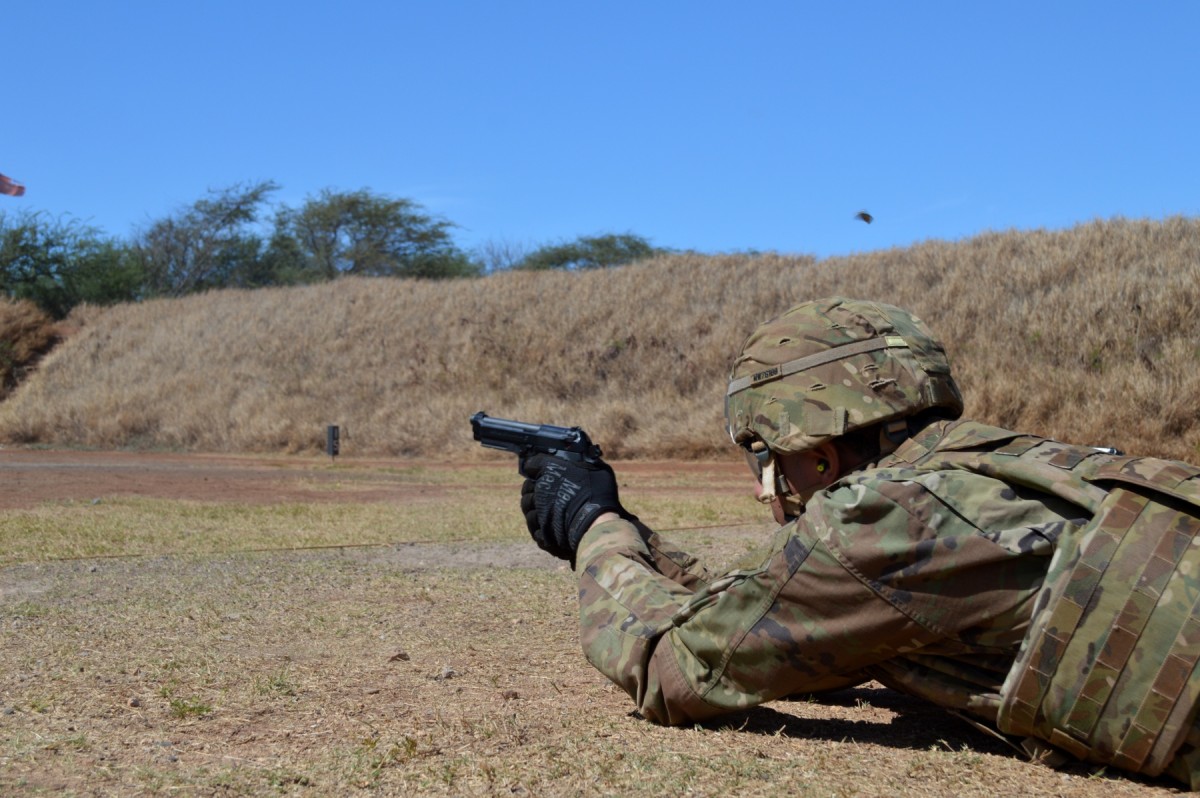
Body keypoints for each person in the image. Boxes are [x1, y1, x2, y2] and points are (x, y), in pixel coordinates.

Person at [516, 296, 1200, 789]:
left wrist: (591, 530)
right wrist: (630, 528)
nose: (765, 487)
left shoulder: (885, 519)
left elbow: (676, 669)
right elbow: (777, 616)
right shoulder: (1019, 468)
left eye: (765, 454)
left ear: (813, 448)